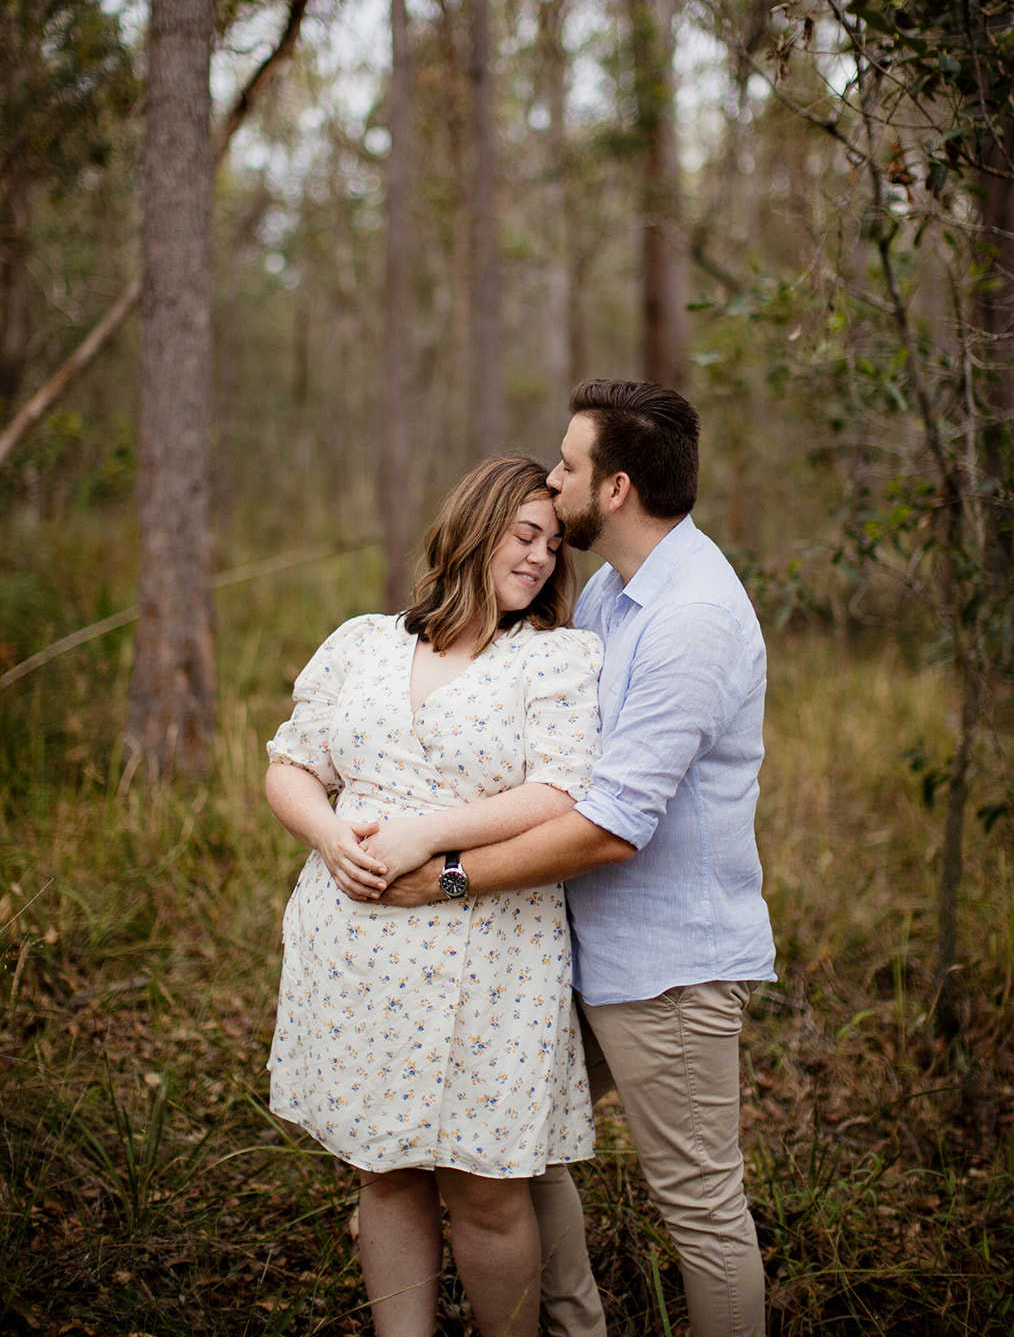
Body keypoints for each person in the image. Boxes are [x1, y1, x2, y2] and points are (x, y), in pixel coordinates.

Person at [374, 379, 777, 1337]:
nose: (552, 482)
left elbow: (609, 823)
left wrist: (449, 874)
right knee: (520, 1152)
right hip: (571, 952)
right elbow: (549, 748)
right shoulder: (611, 591)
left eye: (566, 466)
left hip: (667, 969)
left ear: (616, 489)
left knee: (701, 1210)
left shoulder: (693, 618)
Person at [265, 454, 617, 1337]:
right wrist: (329, 832)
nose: (539, 558)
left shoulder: (555, 658)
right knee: (383, 1172)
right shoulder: (362, 641)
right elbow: (292, 763)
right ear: (472, 528)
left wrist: (430, 834)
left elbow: (562, 791)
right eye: (523, 536)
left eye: (552, 546)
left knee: (486, 1185)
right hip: (355, 951)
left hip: (488, 952)